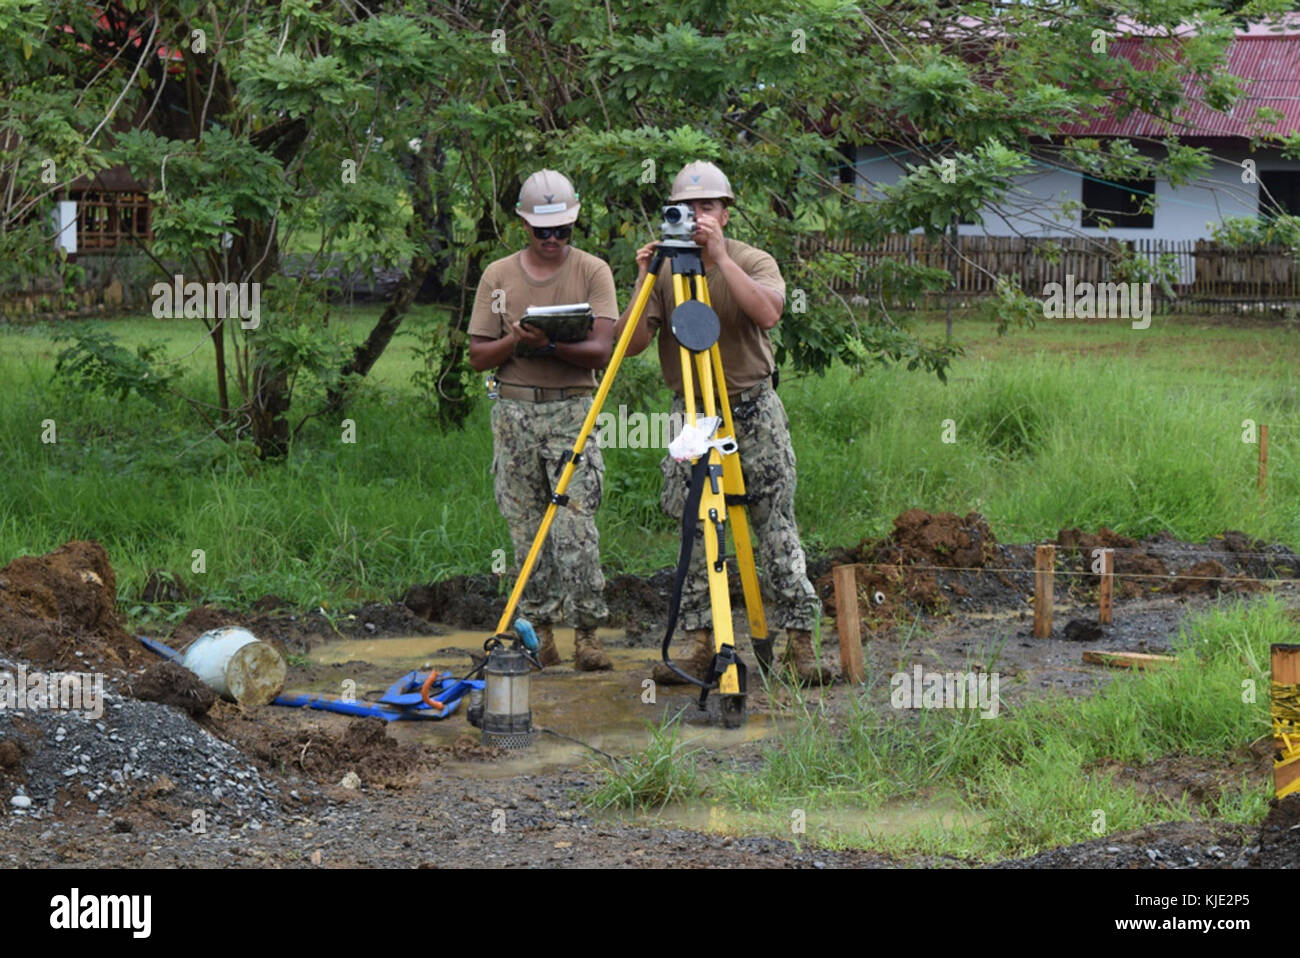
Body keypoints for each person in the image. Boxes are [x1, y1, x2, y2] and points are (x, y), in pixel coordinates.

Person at [614, 161, 834, 686]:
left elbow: (768, 313)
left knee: (774, 525)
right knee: (695, 527)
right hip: (693, 412)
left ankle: (799, 643)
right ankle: (699, 641)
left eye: (707, 208)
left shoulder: (751, 260)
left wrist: (717, 258)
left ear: (726, 213)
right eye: (686, 209)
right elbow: (631, 344)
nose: (696, 217)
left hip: (750, 408)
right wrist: (644, 281)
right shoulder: (666, 270)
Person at [467, 169, 617, 671]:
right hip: (513, 411)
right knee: (526, 529)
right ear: (524, 226)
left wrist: (550, 343)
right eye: (542, 231)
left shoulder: (593, 271)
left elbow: (602, 349)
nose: (553, 241)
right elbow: (479, 355)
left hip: (573, 408)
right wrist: (517, 341)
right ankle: (540, 635)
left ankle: (589, 635)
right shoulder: (498, 275)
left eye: (563, 231)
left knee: (575, 526)